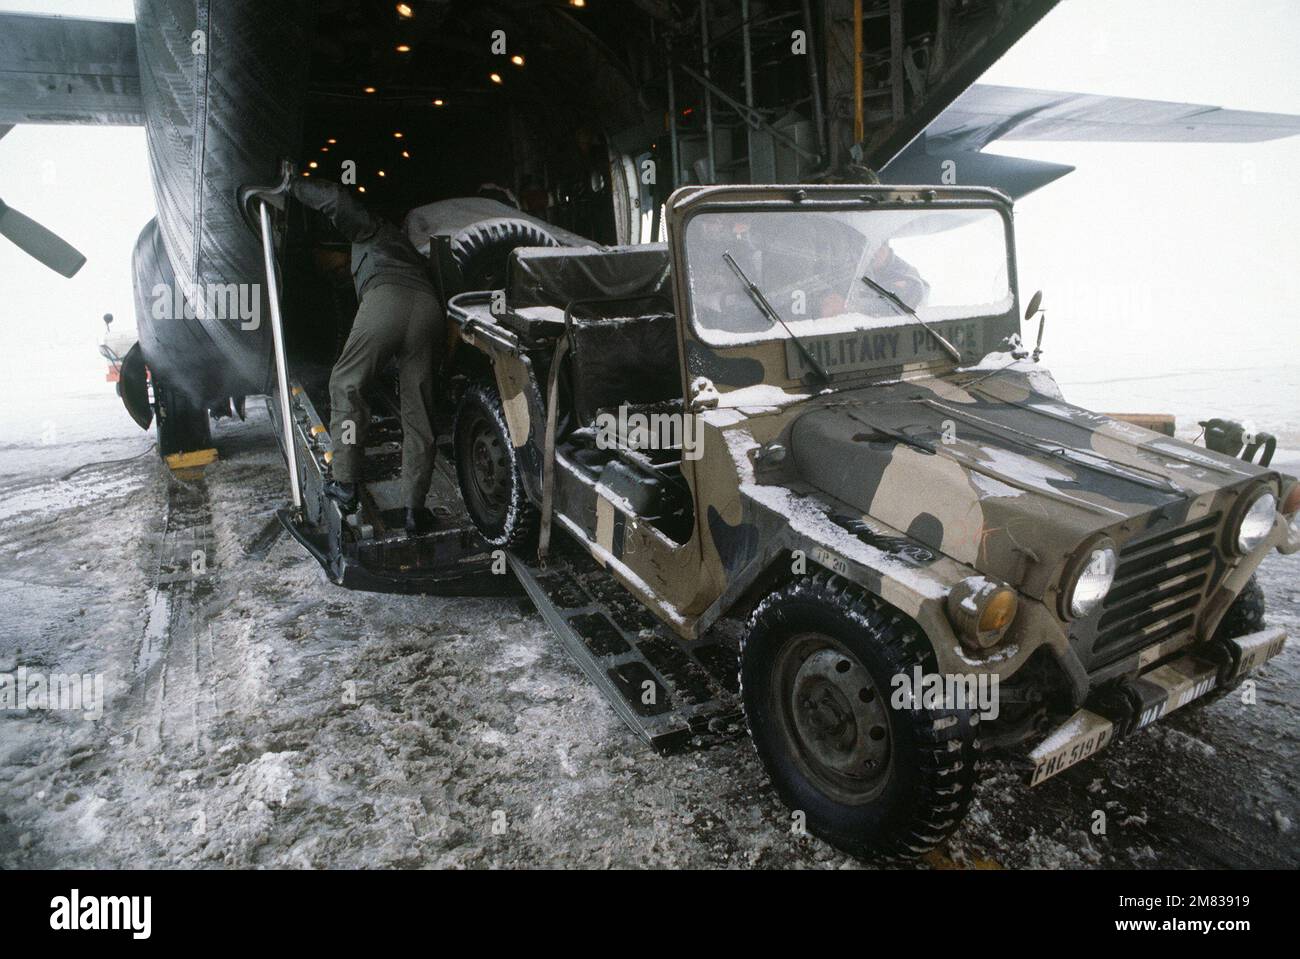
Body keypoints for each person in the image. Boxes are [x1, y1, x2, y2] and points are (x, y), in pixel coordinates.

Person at [290, 178, 443, 534]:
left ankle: (344, 483)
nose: (328, 267)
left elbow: (337, 201)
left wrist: (292, 185)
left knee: (345, 384)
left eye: (325, 259)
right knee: (419, 415)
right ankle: (414, 511)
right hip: (428, 310)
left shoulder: (368, 230)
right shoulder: (404, 245)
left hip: (389, 300)